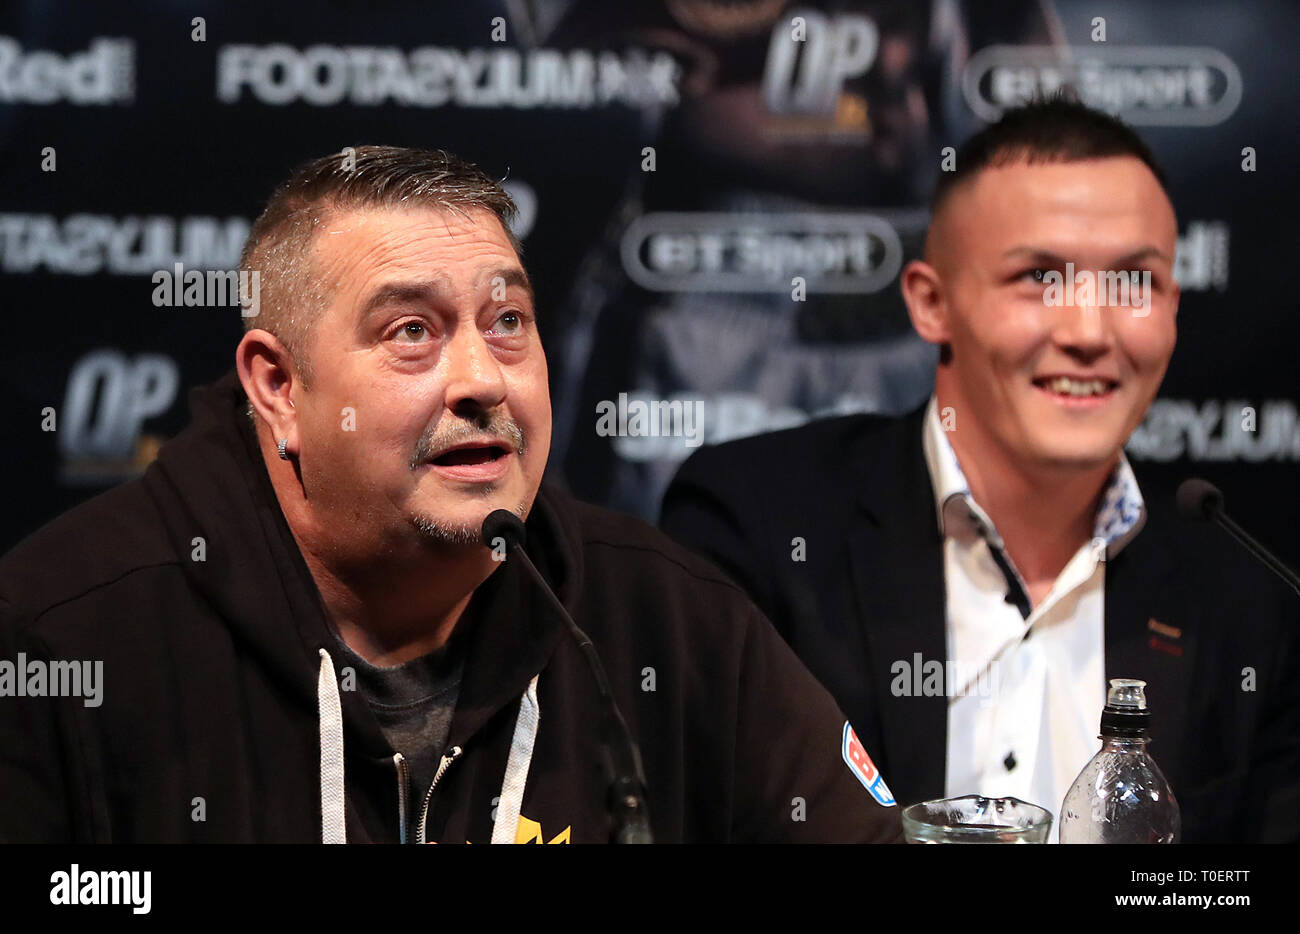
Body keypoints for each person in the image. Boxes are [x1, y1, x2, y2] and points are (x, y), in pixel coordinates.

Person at [0, 146, 901, 844]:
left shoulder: (668, 620)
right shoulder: (67, 630)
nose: (482, 379)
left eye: (508, 322)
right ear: (278, 386)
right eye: (411, 331)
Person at [661, 96, 1300, 843]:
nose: (1090, 332)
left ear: (1171, 308)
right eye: (1038, 277)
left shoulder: (1248, 598)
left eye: (1133, 282)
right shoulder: (760, 528)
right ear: (932, 303)